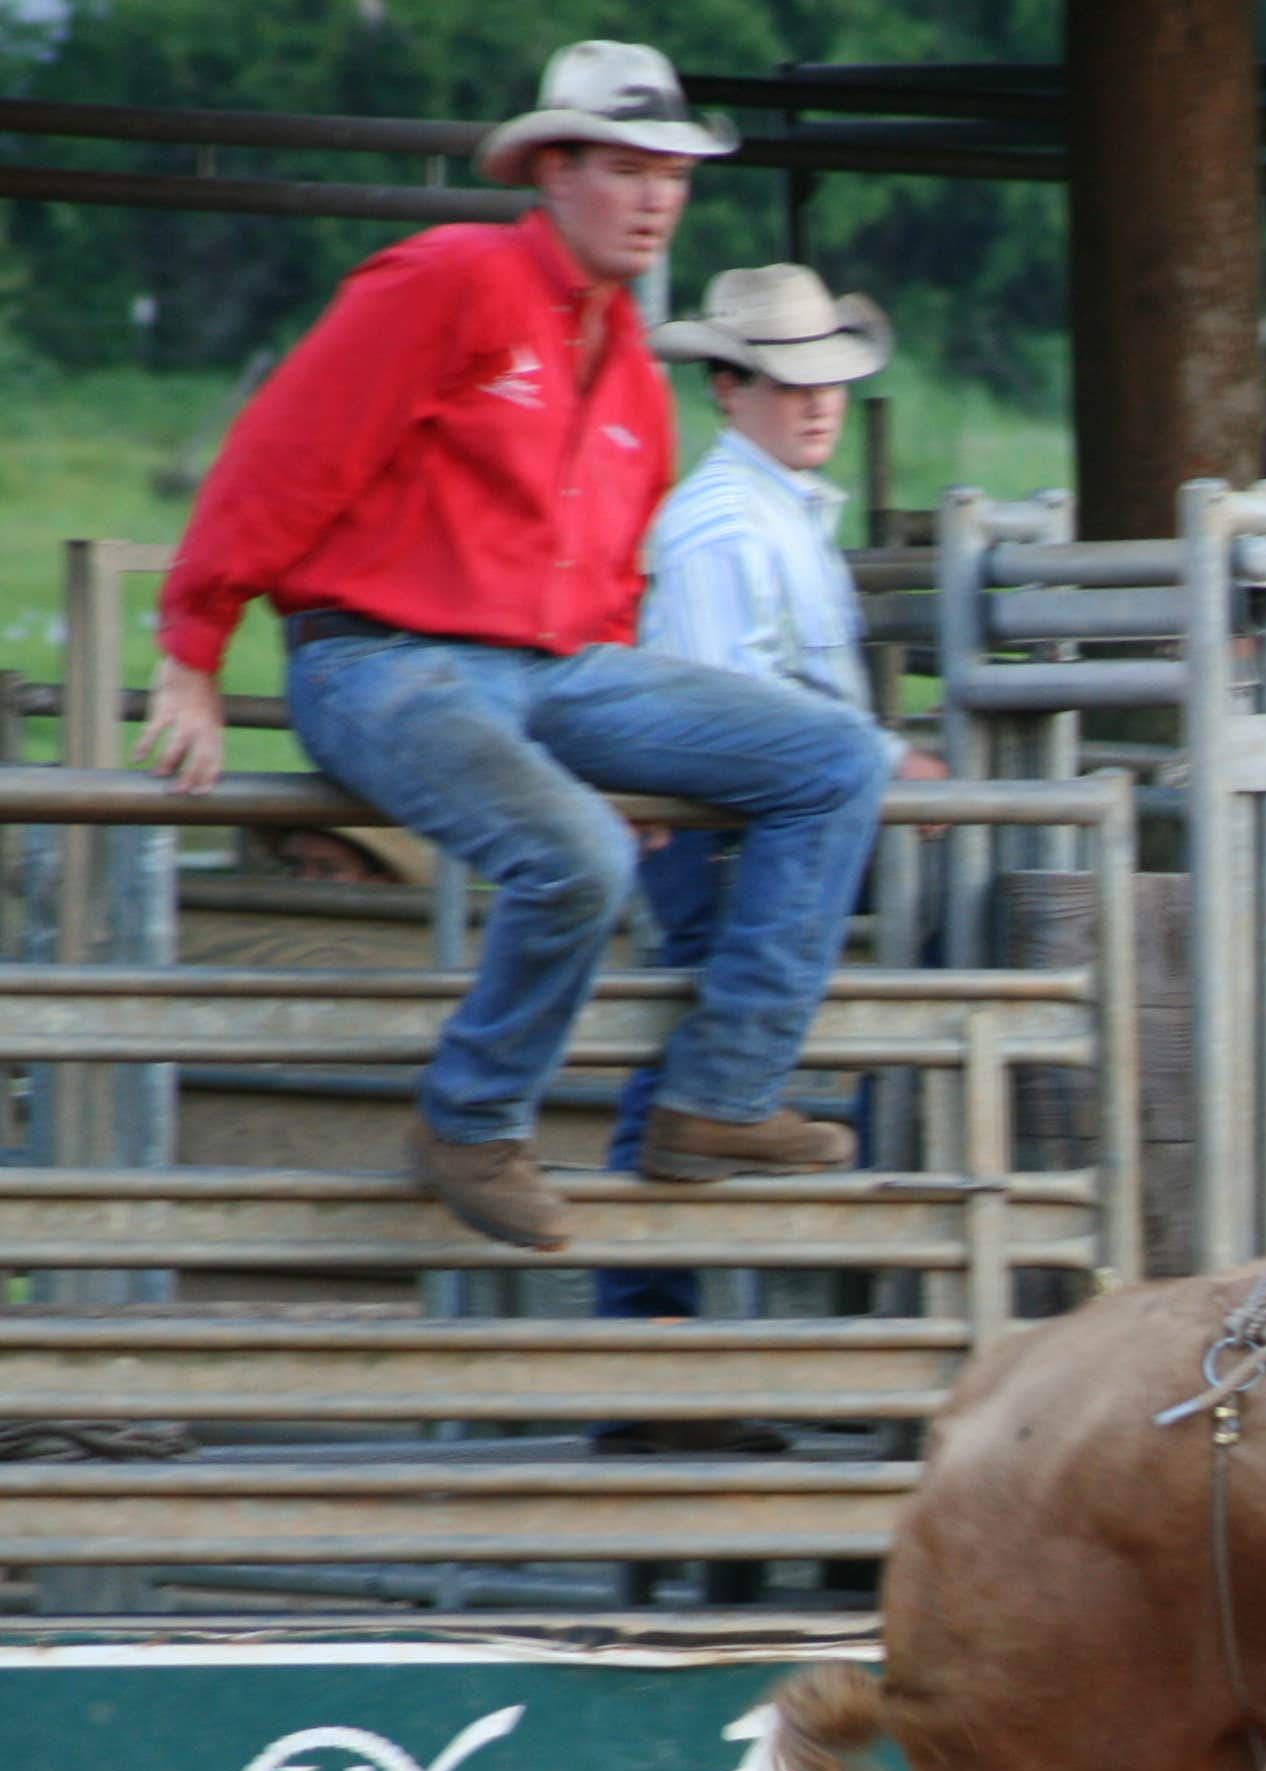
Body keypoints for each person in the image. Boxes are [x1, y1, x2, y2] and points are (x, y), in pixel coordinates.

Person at [140, 41, 894, 1255]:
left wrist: (635, 743)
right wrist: (195, 645)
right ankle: (473, 1121)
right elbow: (290, 450)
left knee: (841, 759)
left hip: (554, 672)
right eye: (624, 167)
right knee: (580, 856)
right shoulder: (449, 281)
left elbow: (604, 585)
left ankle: (722, 1095)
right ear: (552, 169)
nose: (655, 198)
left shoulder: (636, 381)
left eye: (674, 174)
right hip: (379, 658)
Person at [579, 261, 946, 1385]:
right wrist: (886, 760)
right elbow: (728, 714)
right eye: (787, 380)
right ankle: (654, 1351)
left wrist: (878, 760)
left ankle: (669, 1351)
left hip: (764, 824)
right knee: (683, 1056)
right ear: (728, 388)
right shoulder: (722, 529)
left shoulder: (769, 513)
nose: (817, 398)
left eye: (826, 376)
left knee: (689, 1047)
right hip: (730, 831)